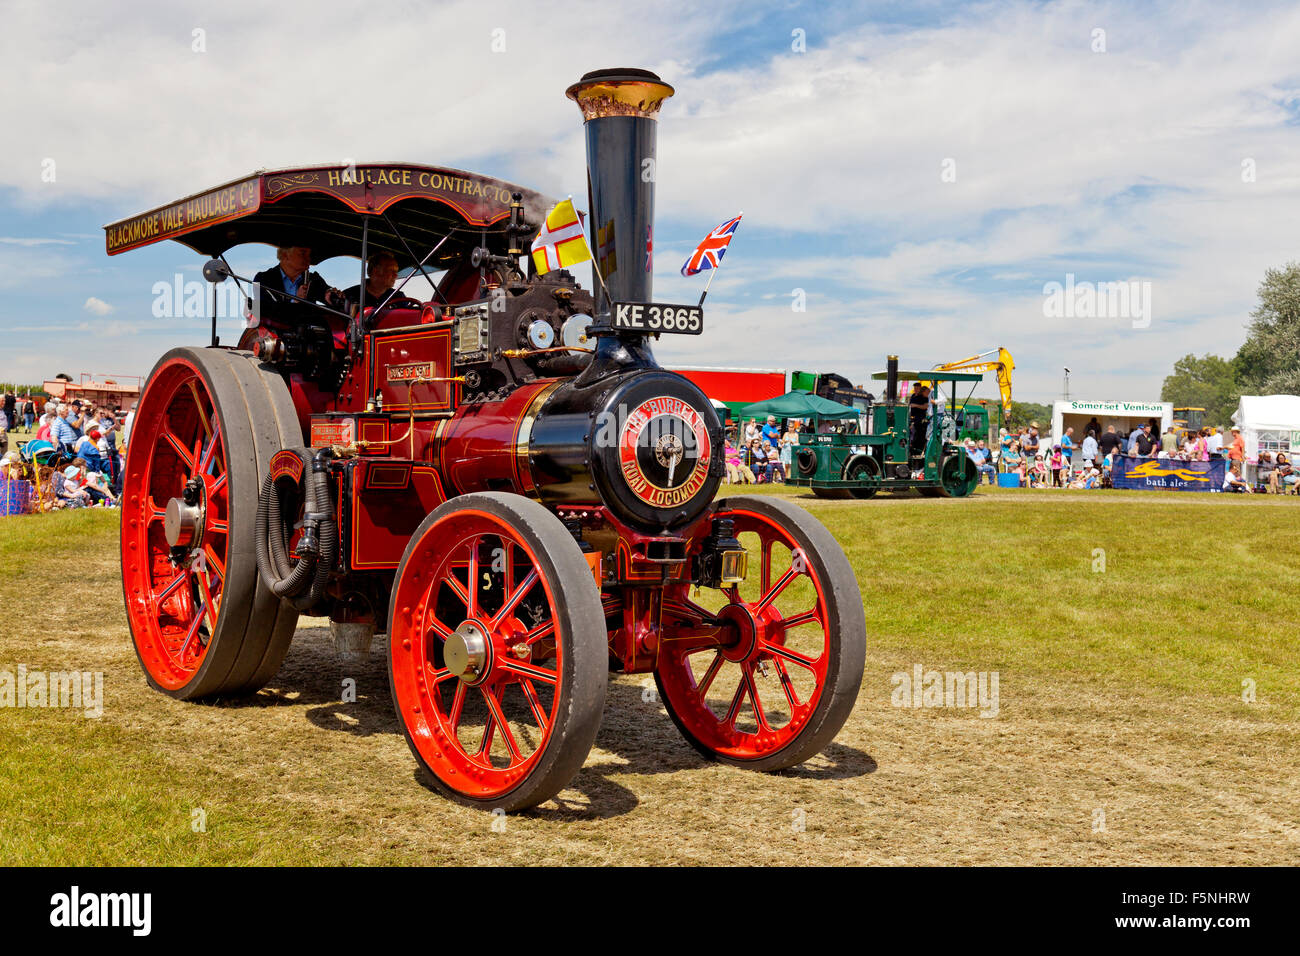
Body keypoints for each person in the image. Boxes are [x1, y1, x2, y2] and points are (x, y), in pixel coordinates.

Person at [251, 245, 345, 326]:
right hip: (273, 341)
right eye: (303, 253)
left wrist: (331, 296)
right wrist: (295, 301)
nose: (308, 258)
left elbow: (324, 292)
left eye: (309, 255)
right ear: (285, 255)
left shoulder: (313, 279)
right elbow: (263, 311)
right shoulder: (263, 279)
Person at [341, 251, 404, 315]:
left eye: (396, 271)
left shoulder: (399, 297)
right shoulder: (349, 295)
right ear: (375, 271)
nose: (396, 275)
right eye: (391, 270)